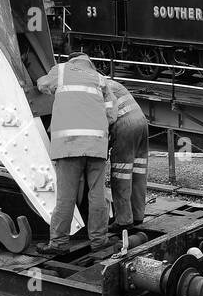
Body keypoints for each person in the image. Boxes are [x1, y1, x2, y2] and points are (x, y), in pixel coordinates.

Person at [36, 54, 111, 254]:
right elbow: (112, 114)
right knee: (97, 194)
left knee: (66, 197)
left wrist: (39, 81)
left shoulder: (60, 70)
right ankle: (99, 241)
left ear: (71, 61)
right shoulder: (100, 79)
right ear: (89, 63)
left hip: (69, 146)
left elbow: (43, 85)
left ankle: (59, 243)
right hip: (97, 146)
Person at [102, 76, 149, 234]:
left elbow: (106, 118)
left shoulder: (96, 86)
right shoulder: (110, 82)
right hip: (141, 122)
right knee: (138, 173)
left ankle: (123, 221)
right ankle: (137, 216)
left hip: (125, 126)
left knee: (120, 175)